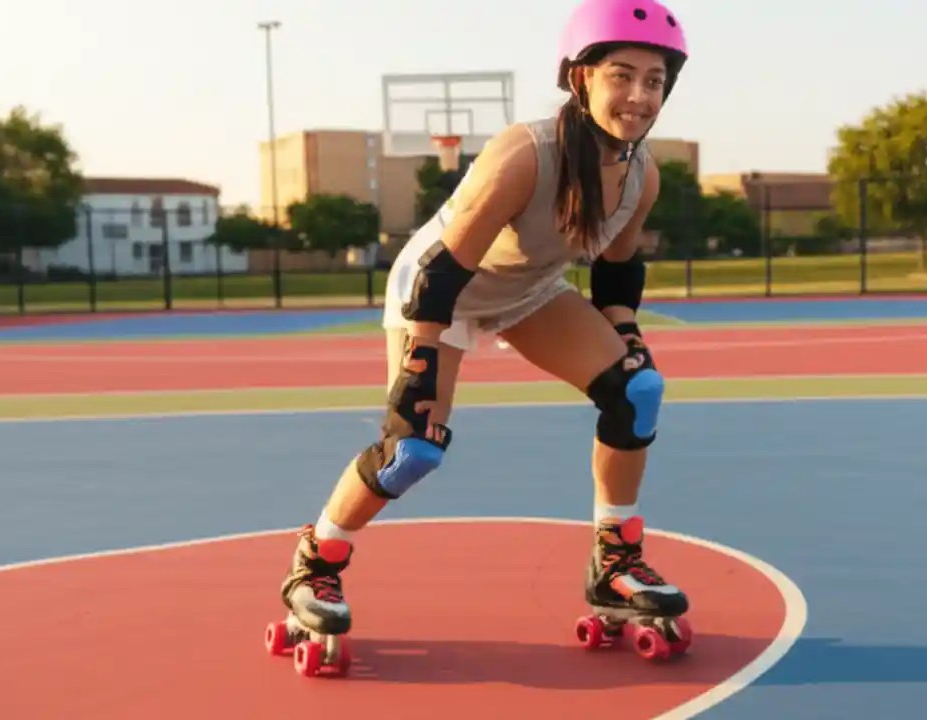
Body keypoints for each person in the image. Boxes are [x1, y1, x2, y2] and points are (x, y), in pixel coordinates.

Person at [276, 0, 690, 642]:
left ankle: (615, 562)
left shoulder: (643, 175)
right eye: (622, 75)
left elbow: (616, 269)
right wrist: (419, 360)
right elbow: (443, 272)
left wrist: (626, 336)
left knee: (637, 391)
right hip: (440, 291)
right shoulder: (526, 152)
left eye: (655, 80)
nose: (640, 95)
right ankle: (315, 564)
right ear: (581, 77)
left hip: (527, 291)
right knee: (409, 451)